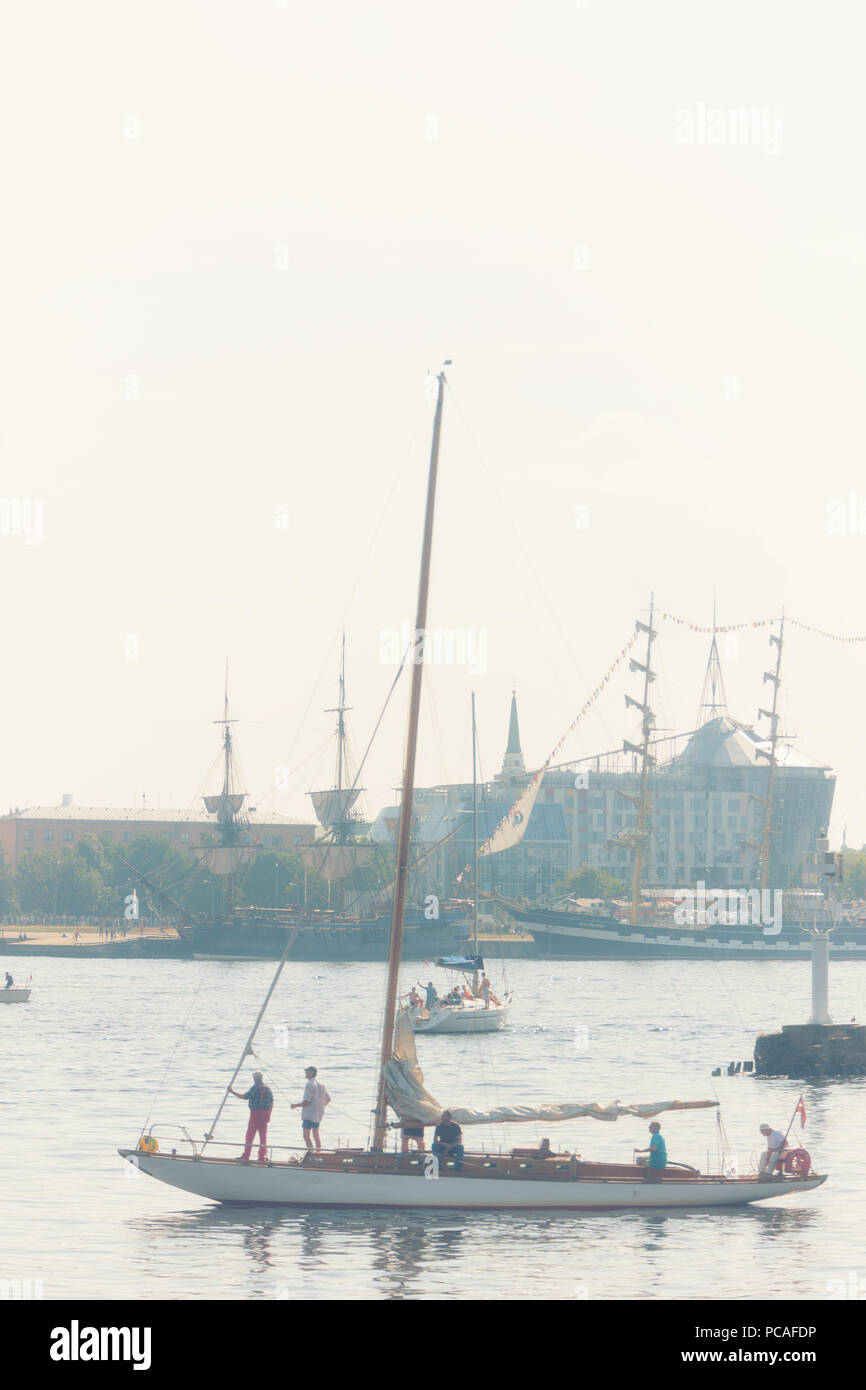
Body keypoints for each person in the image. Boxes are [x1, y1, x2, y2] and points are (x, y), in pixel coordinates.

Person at [229, 1070, 274, 1163]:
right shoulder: (268, 1088)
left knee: (250, 1135)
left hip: (255, 1114)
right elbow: (271, 1102)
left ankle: (246, 1156)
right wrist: (269, 1114)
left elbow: (244, 1096)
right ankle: (262, 1157)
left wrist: (232, 1091)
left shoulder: (255, 1087)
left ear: (255, 1078)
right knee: (263, 1137)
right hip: (265, 1114)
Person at [291, 1065, 331, 1151]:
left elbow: (307, 1102)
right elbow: (328, 1099)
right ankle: (318, 1153)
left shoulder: (309, 1084)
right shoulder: (321, 1084)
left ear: (311, 1073)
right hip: (318, 1114)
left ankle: (311, 1153)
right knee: (316, 1135)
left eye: (307, 1072)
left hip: (309, 1115)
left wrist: (295, 1105)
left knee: (306, 1136)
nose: (305, 1073)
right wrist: (320, 1107)